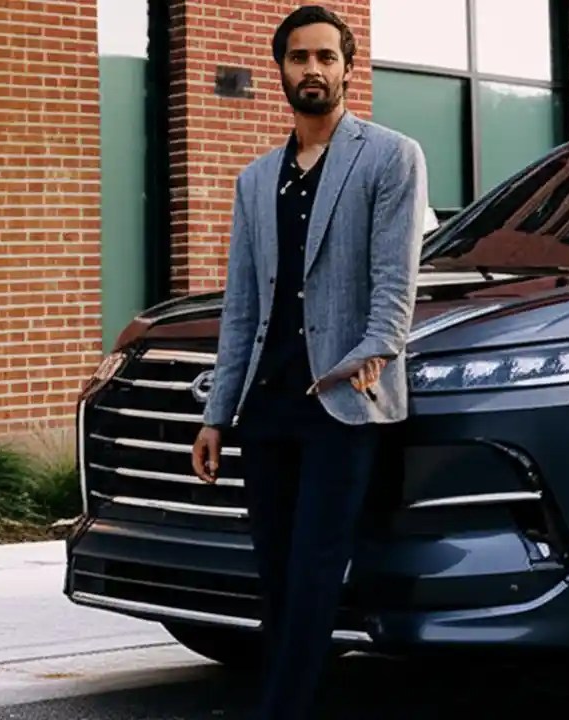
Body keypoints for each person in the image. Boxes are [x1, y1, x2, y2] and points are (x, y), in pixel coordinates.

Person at [189, 5, 427, 718]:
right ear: (281, 70)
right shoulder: (255, 180)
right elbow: (240, 309)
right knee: (276, 573)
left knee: (317, 567)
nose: (313, 69)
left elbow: (396, 280)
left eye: (327, 57)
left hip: (343, 397)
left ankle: (280, 710)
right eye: (299, 58)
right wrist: (216, 414)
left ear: (349, 67)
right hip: (267, 404)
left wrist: (376, 351)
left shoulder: (390, 155)